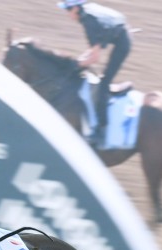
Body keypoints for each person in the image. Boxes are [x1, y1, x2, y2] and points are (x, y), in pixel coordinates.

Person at [58, 0, 132, 146]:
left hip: (122, 43)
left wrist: (76, 64)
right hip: (120, 33)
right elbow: (93, 50)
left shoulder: (88, 22)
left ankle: (101, 130)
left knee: (104, 83)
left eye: (68, 10)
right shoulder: (87, 11)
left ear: (76, 9)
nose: (67, 14)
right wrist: (80, 61)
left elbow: (95, 58)